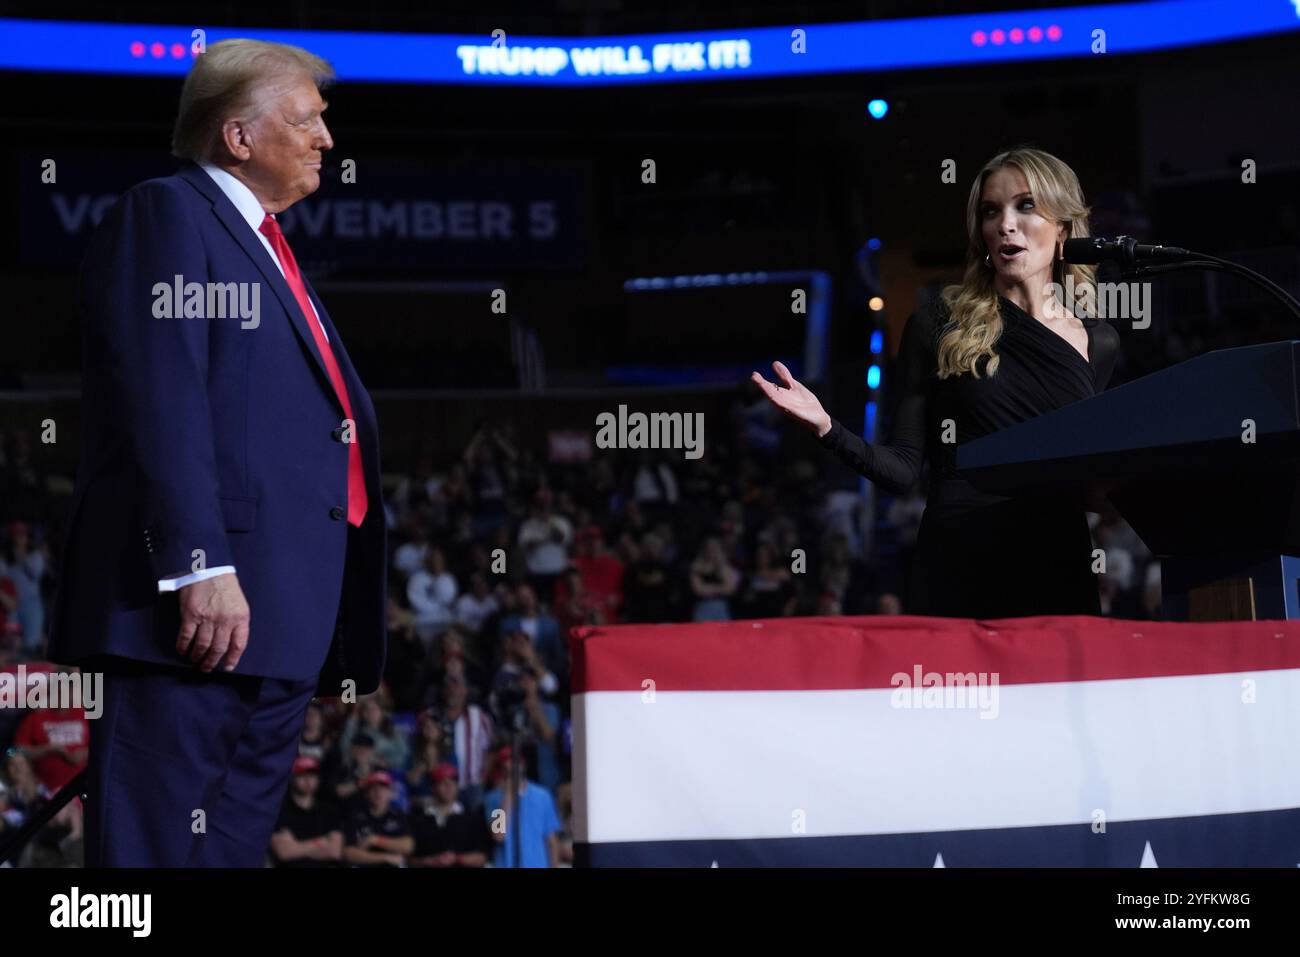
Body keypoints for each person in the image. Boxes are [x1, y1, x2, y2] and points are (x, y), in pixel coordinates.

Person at [48, 39, 387, 867]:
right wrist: (199, 565)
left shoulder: (269, 247)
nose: (326, 141)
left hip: (279, 625)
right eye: (307, 121)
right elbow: (161, 395)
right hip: (192, 619)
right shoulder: (167, 213)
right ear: (238, 136)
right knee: (153, 861)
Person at [754, 146, 1120, 618]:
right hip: (961, 562)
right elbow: (905, 470)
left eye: (1025, 206)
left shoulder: (1100, 341)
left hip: (1057, 564)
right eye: (991, 211)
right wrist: (828, 427)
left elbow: (1090, 477)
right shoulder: (937, 325)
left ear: (1064, 228)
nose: (1005, 223)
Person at [481, 746, 562, 869]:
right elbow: (499, 835)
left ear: (523, 765)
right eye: (507, 767)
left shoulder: (542, 796)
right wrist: (508, 795)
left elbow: (551, 839)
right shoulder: (493, 799)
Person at [407, 764, 490, 868]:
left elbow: (483, 856)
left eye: (453, 782)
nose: (449, 786)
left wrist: (457, 858)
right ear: (433, 788)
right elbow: (409, 859)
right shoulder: (418, 818)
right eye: (443, 782)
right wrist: (429, 861)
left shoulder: (472, 818)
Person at [268, 756, 343, 868]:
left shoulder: (328, 811)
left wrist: (296, 846)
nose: (308, 781)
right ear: (292, 778)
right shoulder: (279, 811)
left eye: (312, 776)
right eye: (302, 776)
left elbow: (335, 852)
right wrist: (321, 842)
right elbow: (284, 852)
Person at [342, 770, 413, 867]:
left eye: (383, 787)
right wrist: (385, 857)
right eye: (373, 788)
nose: (378, 792)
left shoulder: (398, 815)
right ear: (366, 794)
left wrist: (375, 840)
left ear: (391, 793)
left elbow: (407, 846)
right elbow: (348, 854)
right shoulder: (355, 816)